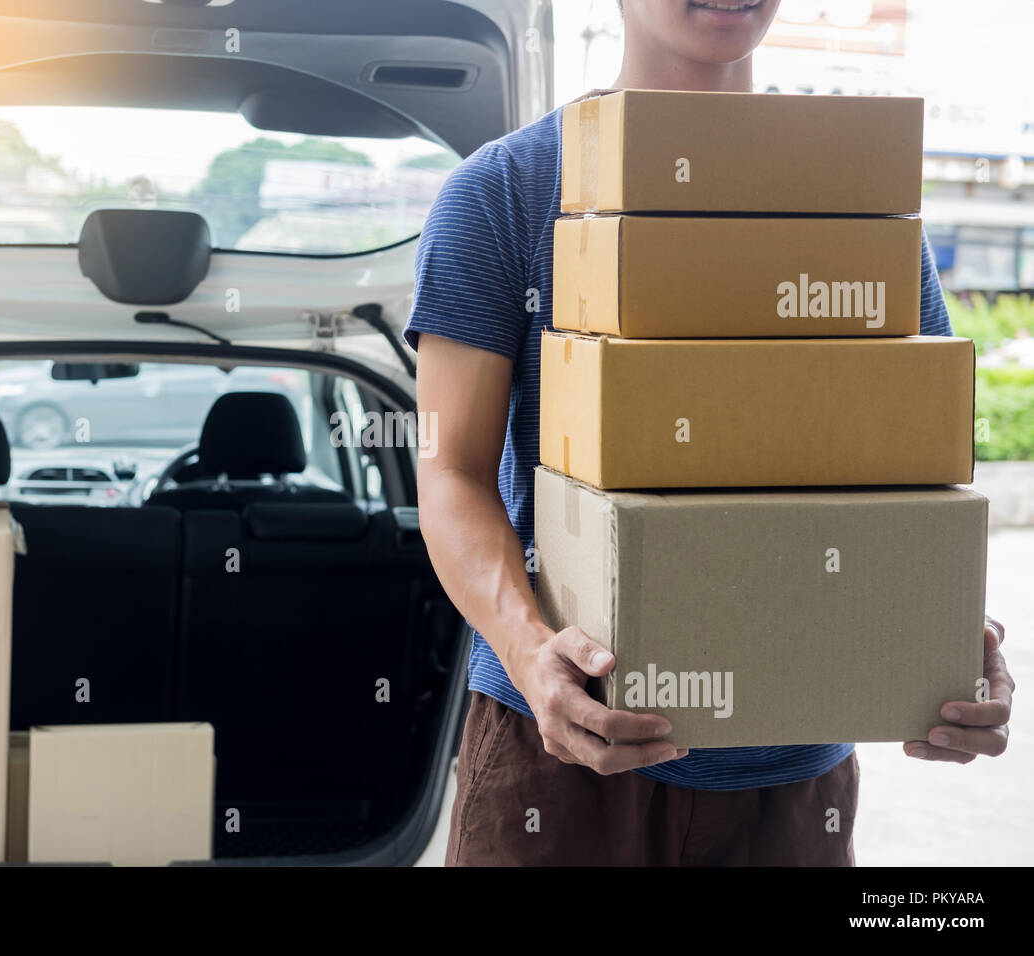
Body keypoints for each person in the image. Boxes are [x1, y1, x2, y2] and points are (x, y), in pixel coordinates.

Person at [407, 0, 1014, 866]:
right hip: (563, 761)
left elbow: (911, 479)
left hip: (791, 777)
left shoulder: (856, 201)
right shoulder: (505, 190)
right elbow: (451, 473)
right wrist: (532, 653)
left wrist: (950, 638)